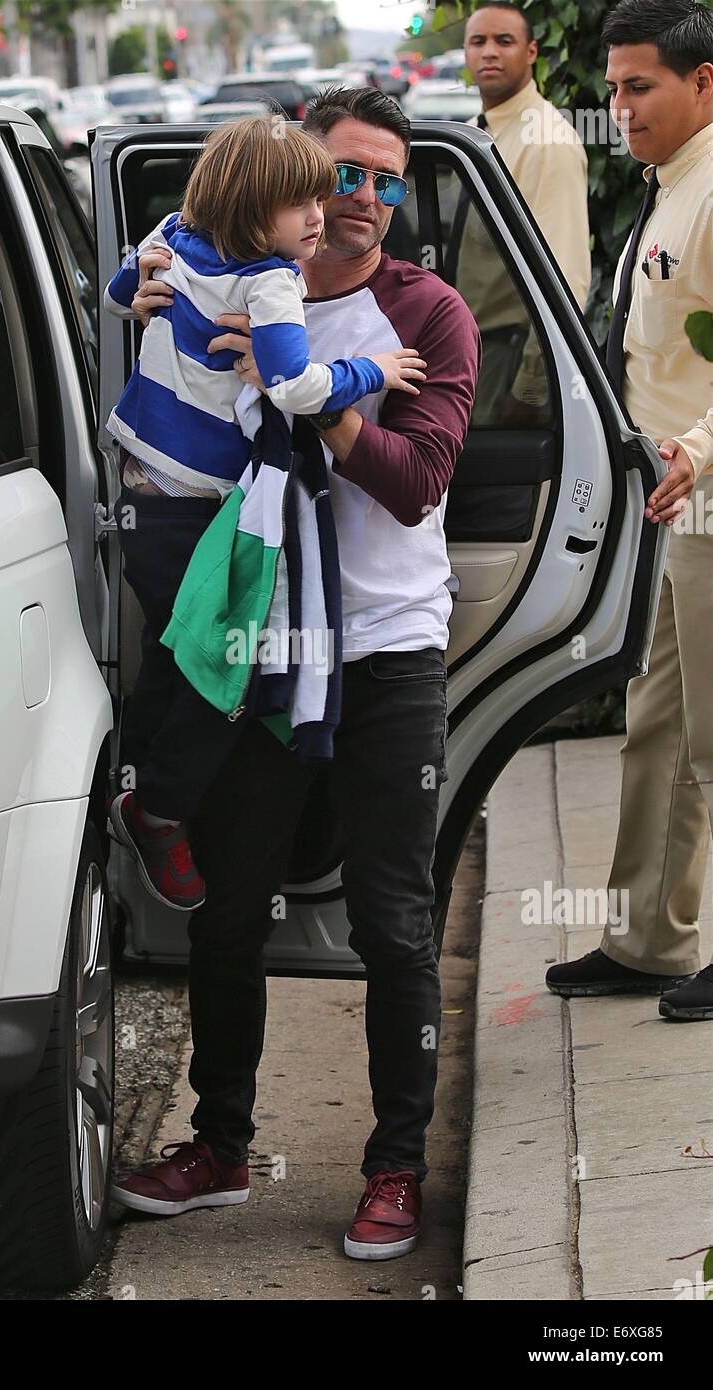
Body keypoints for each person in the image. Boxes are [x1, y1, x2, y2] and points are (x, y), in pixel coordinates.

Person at [110, 86, 481, 1261]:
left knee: (391, 919)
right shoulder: (223, 275)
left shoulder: (426, 315)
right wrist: (152, 301)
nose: (362, 200)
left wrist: (304, 401)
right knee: (228, 906)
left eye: (384, 179)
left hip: (384, 648)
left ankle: (391, 1168)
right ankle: (219, 1146)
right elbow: (133, 298)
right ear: (295, 185)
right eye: (342, 176)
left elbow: (416, 480)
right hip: (264, 650)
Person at [103, 116, 427, 913]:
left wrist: (141, 271)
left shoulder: (178, 231)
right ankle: (159, 811)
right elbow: (293, 387)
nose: (318, 217)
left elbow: (118, 292)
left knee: (174, 646)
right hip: (195, 499)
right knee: (227, 668)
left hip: (136, 476)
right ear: (253, 207)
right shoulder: (274, 282)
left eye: (320, 200)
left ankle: (132, 781)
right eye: (301, 205)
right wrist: (371, 368)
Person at [546, 0, 713, 1023]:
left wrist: (695, 451)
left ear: (702, 83)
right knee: (655, 728)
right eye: (611, 88)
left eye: (637, 85)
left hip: (704, 494)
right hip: (667, 505)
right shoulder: (664, 190)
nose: (619, 106)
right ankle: (647, 940)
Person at [451, 0, 591, 427]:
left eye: (504, 41)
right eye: (478, 41)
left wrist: (531, 386)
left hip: (508, 359)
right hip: (470, 355)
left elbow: (566, 277)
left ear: (531, 51)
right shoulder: (480, 129)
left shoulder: (547, 142)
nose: (489, 52)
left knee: (501, 492)